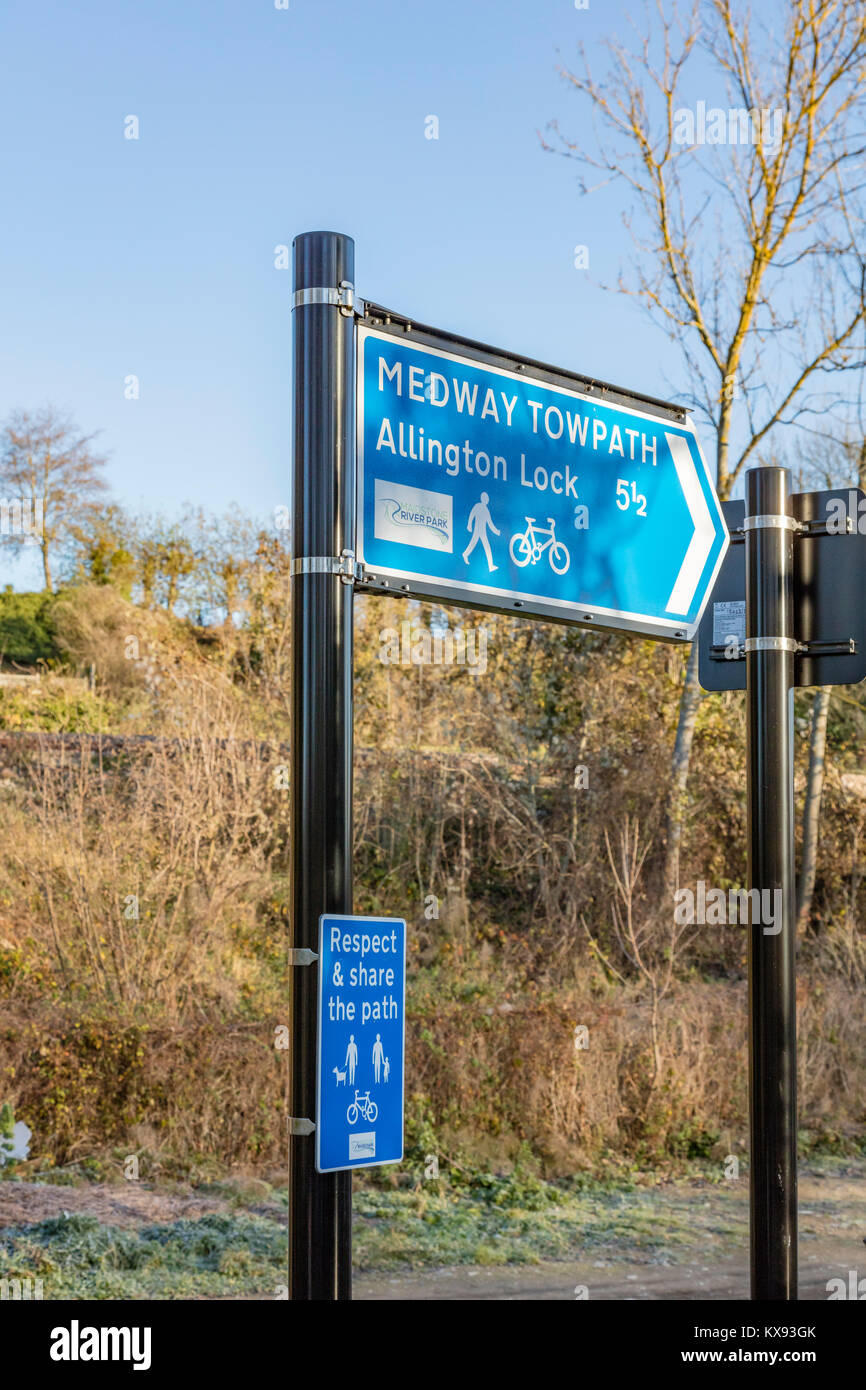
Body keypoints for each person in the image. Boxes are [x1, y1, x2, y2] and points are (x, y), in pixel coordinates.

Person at [462, 492, 500, 572]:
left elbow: (490, 523)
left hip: (482, 532)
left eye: (487, 499)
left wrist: (496, 531)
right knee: (479, 545)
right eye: (486, 498)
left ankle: (490, 565)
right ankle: (490, 565)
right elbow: (472, 514)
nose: (487, 500)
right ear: (483, 499)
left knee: (482, 546)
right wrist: (469, 525)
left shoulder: (486, 510)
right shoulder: (478, 506)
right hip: (478, 530)